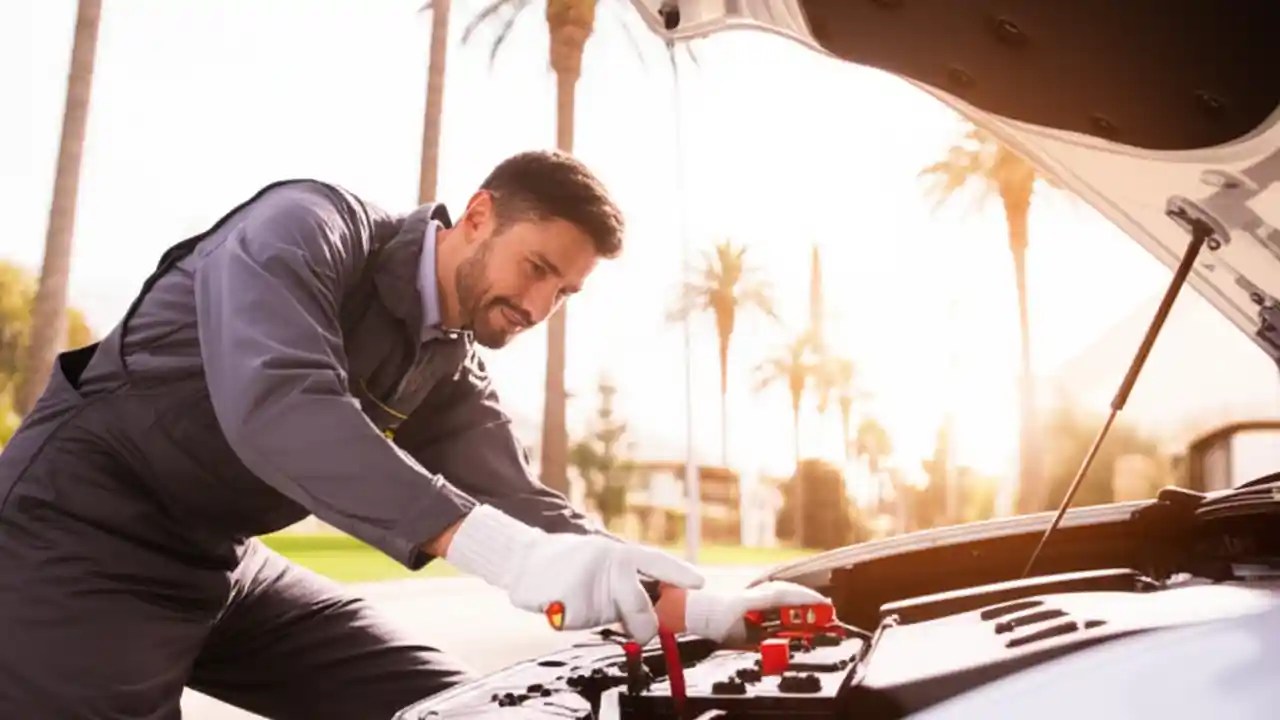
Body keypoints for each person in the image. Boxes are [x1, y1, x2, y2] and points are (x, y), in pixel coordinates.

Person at [0, 150, 824, 718]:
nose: (537, 309)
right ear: (477, 215)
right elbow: (282, 403)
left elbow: (523, 505)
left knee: (454, 709)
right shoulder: (304, 227)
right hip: (79, 536)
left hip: (222, 562)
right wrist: (509, 558)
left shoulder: (449, 356)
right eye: (536, 268)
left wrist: (706, 609)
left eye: (563, 293)